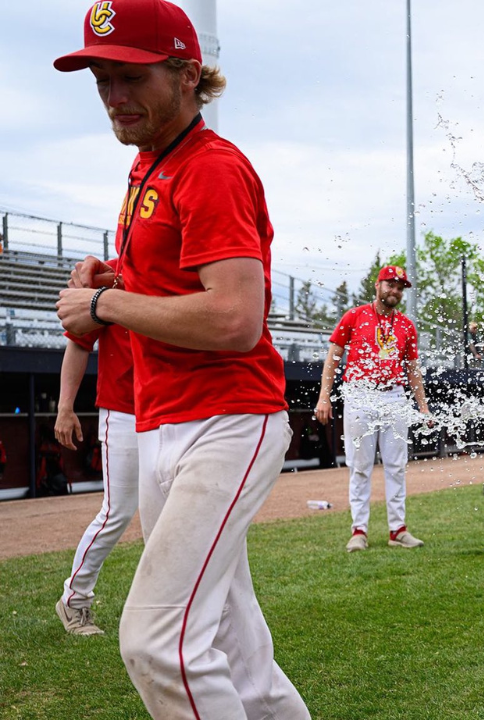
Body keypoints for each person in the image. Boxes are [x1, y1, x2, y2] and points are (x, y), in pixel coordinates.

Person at [53, 1, 311, 716]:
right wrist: (118, 282)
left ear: (188, 72)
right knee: (237, 654)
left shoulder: (212, 168)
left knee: (157, 643)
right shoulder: (150, 164)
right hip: (163, 418)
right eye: (101, 77)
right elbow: (180, 290)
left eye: (130, 75)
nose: (112, 94)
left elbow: (234, 317)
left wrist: (106, 308)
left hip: (225, 418)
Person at [315, 265, 430, 552]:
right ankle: (359, 531)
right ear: (377, 286)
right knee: (360, 466)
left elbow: (413, 370)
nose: (396, 291)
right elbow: (333, 358)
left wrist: (423, 407)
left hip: (394, 396)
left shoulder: (406, 325)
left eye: (400, 287)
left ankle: (398, 529)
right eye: (391, 285)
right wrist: (324, 397)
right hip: (360, 394)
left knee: (396, 466)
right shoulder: (354, 315)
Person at [54, 265, 138, 637]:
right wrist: (64, 407)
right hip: (122, 410)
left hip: (172, 410)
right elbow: (78, 342)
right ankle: (74, 599)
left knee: (172, 510)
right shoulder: (111, 276)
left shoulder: (176, 273)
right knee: (117, 511)